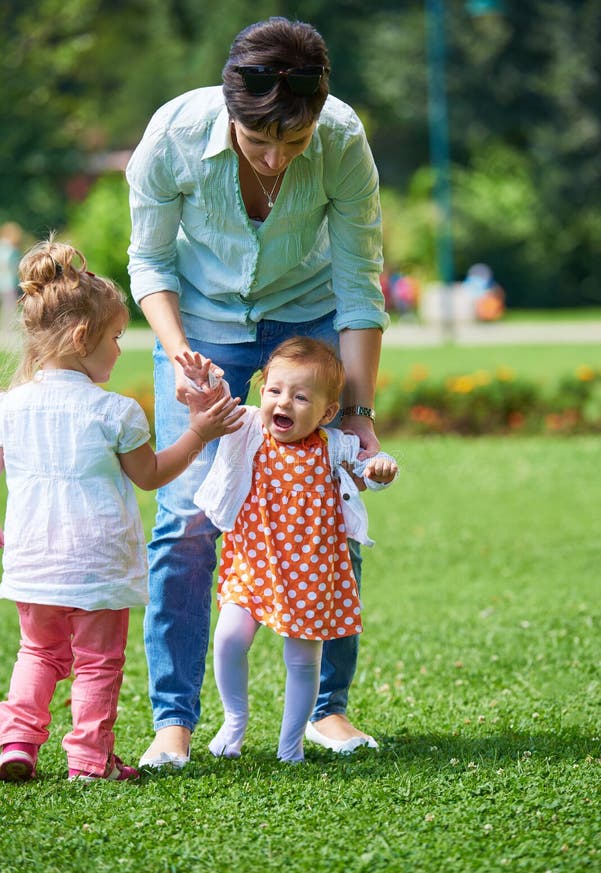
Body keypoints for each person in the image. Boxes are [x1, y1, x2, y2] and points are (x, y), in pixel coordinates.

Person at [126, 16, 390, 769]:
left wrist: (360, 418)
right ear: (228, 107)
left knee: (328, 501)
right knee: (184, 520)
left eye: (293, 143)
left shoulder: (341, 140)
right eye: (259, 142)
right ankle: (174, 721)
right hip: (200, 321)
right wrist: (181, 357)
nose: (276, 161)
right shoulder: (172, 136)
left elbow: (357, 285)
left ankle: (327, 711)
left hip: (304, 315)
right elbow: (147, 262)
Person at [0, 239, 242, 783]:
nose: (117, 350)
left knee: (37, 653)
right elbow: (151, 475)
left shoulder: (8, 407)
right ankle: (88, 759)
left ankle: (15, 741)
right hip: (97, 561)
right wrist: (200, 432)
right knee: (98, 662)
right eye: (114, 338)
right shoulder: (116, 411)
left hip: (30, 560)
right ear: (82, 338)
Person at [186, 337, 398, 761]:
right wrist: (203, 380)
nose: (284, 403)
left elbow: (363, 472)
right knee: (228, 638)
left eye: (301, 397)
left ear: (326, 412)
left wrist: (380, 470)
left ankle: (291, 744)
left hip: (312, 575)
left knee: (303, 663)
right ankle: (235, 721)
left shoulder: (331, 444)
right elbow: (217, 399)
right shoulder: (248, 427)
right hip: (253, 565)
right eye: (275, 391)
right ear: (261, 393)